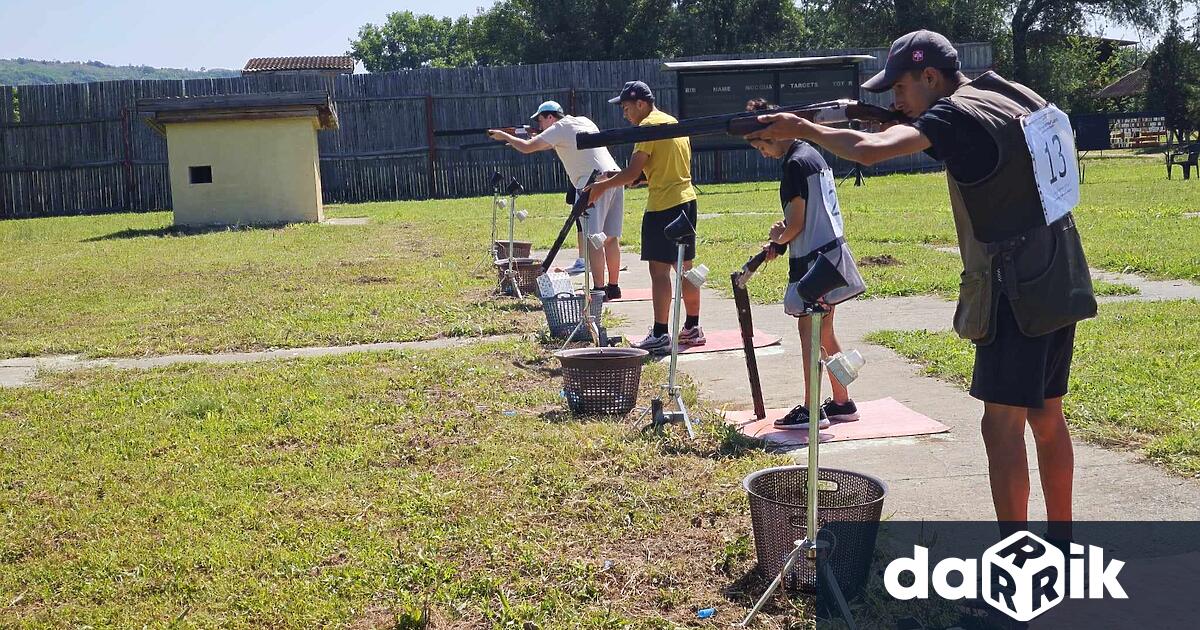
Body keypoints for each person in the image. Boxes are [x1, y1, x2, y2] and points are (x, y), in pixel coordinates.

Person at [748, 30, 1097, 531]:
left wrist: (805, 127)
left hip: (1014, 289)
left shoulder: (952, 114)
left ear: (930, 76)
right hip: (1058, 271)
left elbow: (869, 152)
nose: (895, 98)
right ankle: (1059, 545)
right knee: (1046, 418)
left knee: (1001, 428)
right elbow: (986, 151)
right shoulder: (1006, 93)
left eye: (900, 87)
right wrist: (883, 115)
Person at [746, 98, 864, 430]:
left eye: (762, 145)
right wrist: (783, 237)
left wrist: (779, 236)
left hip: (814, 261)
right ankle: (843, 401)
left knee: (809, 333)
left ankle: (813, 411)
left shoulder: (794, 165)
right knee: (825, 332)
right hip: (829, 256)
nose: (763, 152)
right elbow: (808, 217)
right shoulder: (812, 155)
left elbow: (796, 224)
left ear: (776, 134)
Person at [586, 81, 704, 352]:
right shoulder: (672, 122)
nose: (625, 114)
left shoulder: (647, 127)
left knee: (659, 271)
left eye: (626, 108)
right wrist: (629, 178)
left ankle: (661, 332)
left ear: (641, 104)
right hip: (686, 200)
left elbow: (631, 172)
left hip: (663, 206)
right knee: (686, 268)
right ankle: (693, 326)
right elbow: (652, 170)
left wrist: (602, 186)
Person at [489, 101, 624, 299]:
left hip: (593, 182)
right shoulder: (583, 121)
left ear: (550, 117)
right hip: (615, 177)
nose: (540, 125)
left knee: (594, 239)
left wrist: (503, 136)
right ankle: (613, 286)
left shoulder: (559, 128)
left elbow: (527, 148)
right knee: (611, 238)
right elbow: (566, 145)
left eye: (541, 120)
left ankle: (599, 290)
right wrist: (539, 138)